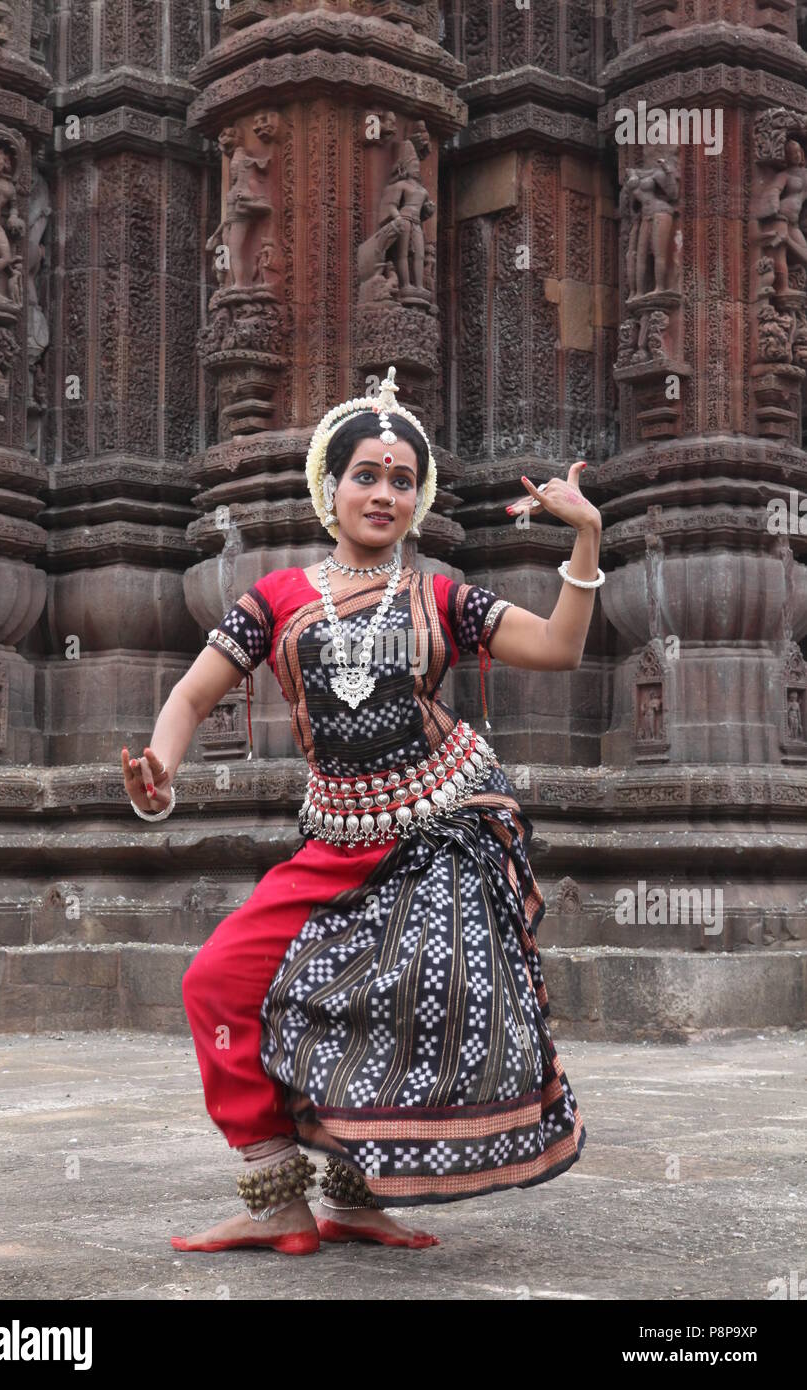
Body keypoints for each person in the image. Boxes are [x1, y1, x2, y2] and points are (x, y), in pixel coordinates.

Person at [121, 366, 603, 1256]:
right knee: (219, 983)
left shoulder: (442, 595)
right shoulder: (275, 599)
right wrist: (162, 767)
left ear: (418, 502)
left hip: (435, 830)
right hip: (333, 839)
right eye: (367, 476)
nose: (384, 494)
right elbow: (191, 698)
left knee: (394, 1001)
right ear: (329, 486)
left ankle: (353, 1196)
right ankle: (276, 1200)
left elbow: (561, 648)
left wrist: (585, 540)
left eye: (403, 480)